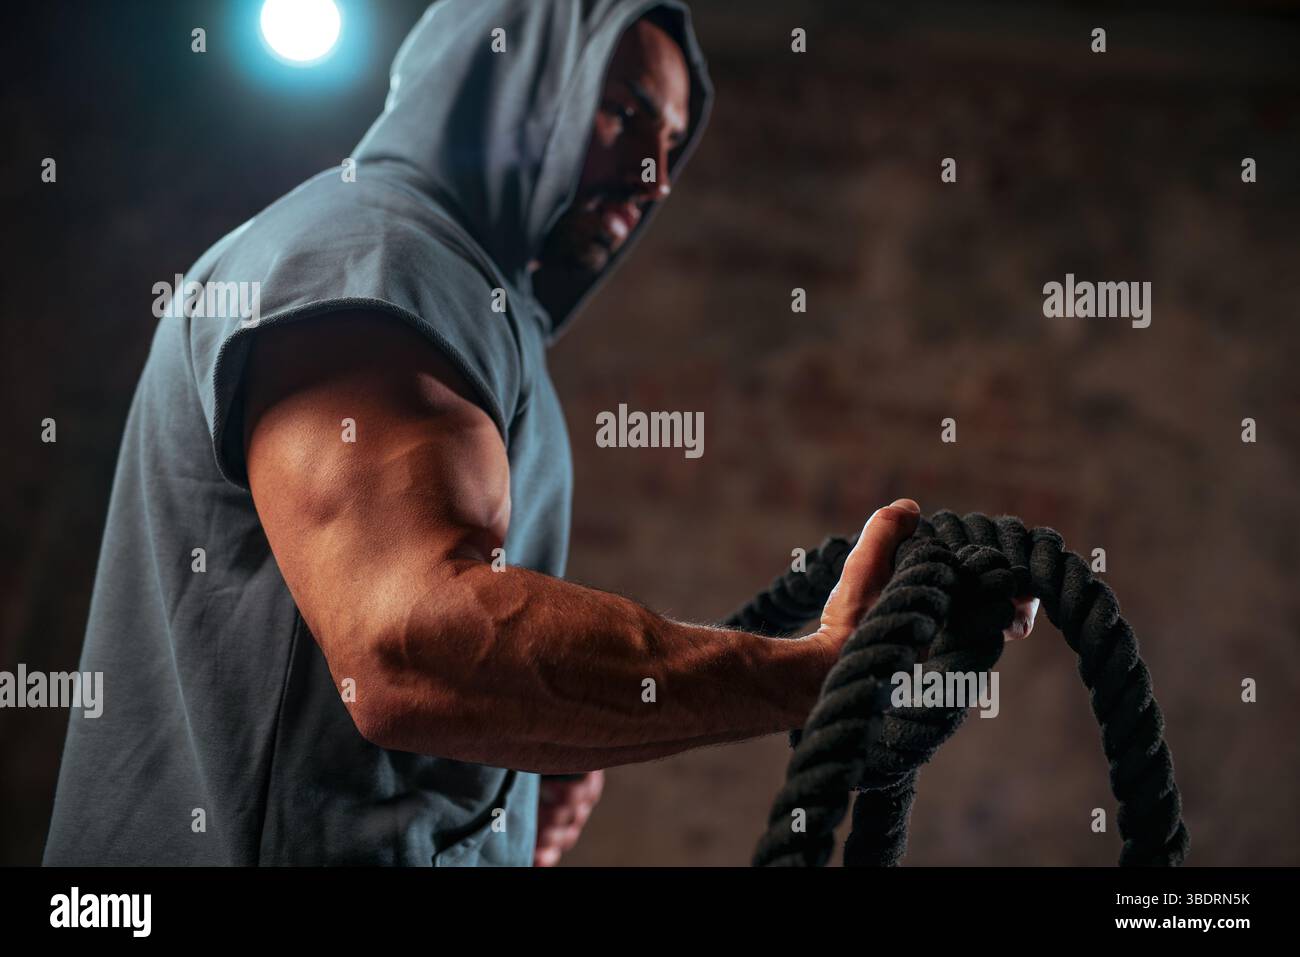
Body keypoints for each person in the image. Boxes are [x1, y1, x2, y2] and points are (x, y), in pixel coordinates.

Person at [45, 0, 1036, 867]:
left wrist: (512, 793)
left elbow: (416, 694)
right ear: (505, 78)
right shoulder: (375, 266)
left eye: (673, 143)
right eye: (625, 112)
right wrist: (807, 678)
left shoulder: (463, 303)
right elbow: (411, 646)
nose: (655, 174)